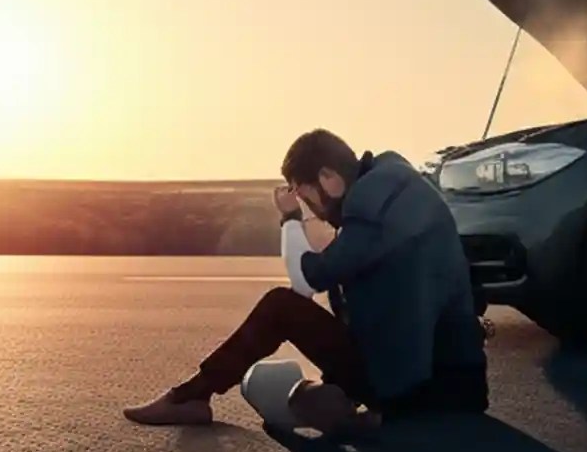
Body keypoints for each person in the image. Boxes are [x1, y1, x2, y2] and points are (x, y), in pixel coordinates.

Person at [123, 129, 489, 430]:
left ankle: (191, 398)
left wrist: (290, 219)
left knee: (281, 308)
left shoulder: (372, 199)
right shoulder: (400, 185)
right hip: (460, 383)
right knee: (308, 389)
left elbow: (304, 279)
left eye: (304, 193)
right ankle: (349, 404)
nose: (312, 207)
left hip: (418, 388)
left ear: (329, 179)